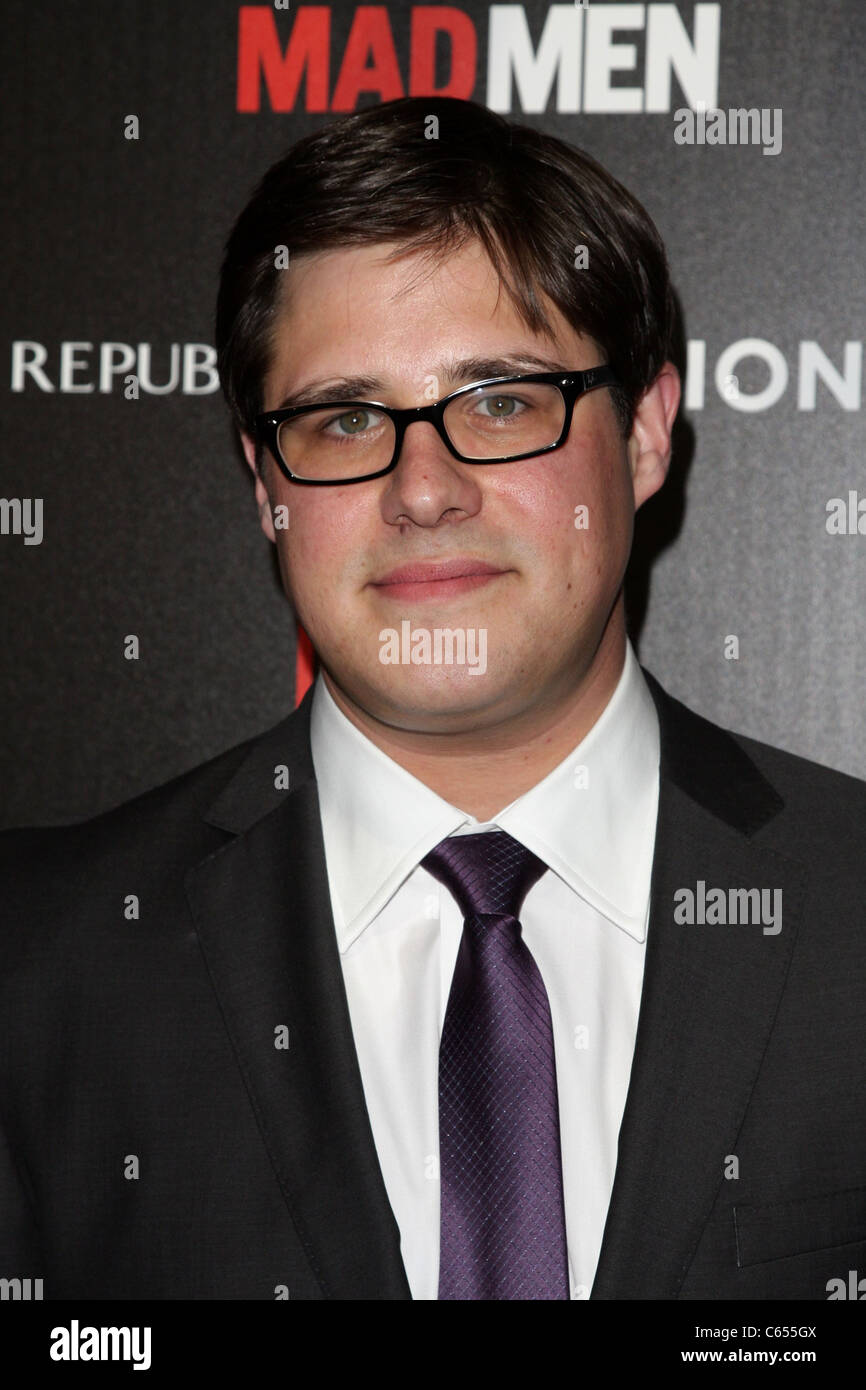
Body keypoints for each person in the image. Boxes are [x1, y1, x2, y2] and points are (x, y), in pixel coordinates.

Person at [2, 96, 865, 1302]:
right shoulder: (38, 969)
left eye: (500, 401)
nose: (422, 488)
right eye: (344, 417)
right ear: (264, 483)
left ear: (645, 436)